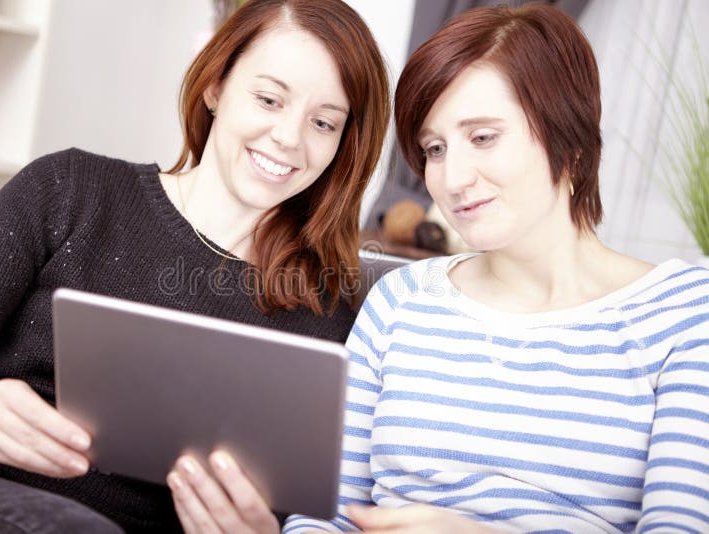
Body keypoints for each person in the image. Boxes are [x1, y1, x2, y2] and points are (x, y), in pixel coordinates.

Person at [171, 4, 709, 533]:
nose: (452, 178)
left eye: (482, 138)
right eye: (433, 148)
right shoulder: (400, 301)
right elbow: (324, 514)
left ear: (567, 136)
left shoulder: (685, 312)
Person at [0, 0, 390, 532]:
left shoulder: (328, 316)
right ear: (215, 88)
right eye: (269, 99)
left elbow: (293, 505)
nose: (289, 137)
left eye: (324, 122)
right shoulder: (69, 190)